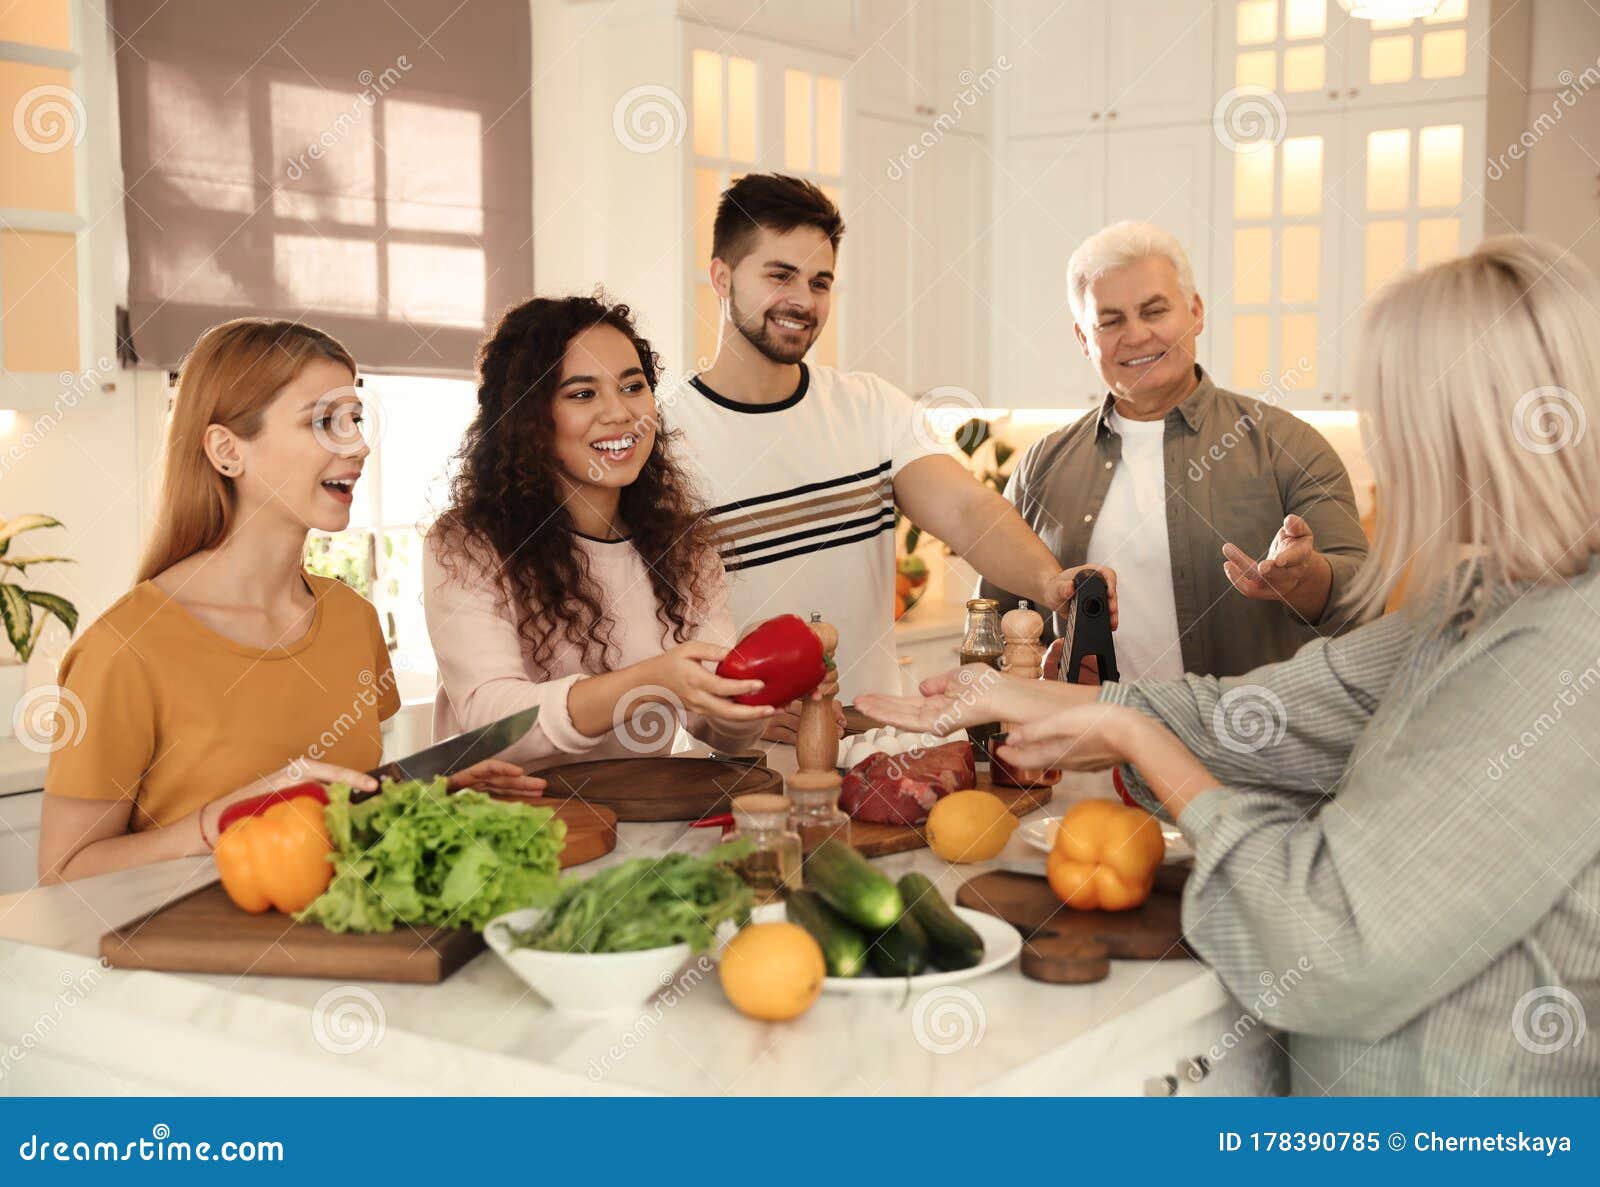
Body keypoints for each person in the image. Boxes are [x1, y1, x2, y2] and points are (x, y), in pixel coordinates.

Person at [859, 237, 1600, 1095]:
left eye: (1395, 415)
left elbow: (1326, 940)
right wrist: (1031, 697)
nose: (1389, 450)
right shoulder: (1483, 594)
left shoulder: (1565, 655)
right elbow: (1291, 706)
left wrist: (1128, 727)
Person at [38, 320, 540, 884]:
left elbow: (334, 815)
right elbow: (63, 874)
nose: (358, 442)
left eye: (354, 418)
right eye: (323, 421)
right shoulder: (125, 649)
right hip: (184, 965)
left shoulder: (353, 620)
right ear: (227, 450)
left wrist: (418, 797)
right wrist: (222, 821)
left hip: (342, 950)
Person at [666, 172, 1113, 739]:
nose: (803, 300)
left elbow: (968, 512)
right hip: (737, 761)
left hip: (875, 743)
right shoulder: (661, 438)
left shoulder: (868, 406)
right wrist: (722, 719)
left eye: (820, 281)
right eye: (780, 275)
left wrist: (1051, 585)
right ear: (722, 277)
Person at [980, 221, 1368, 682]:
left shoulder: (1288, 445)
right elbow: (994, 623)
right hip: (1088, 747)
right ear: (1084, 339)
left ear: (1196, 311)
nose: (1138, 335)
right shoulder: (1040, 466)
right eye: (1110, 321)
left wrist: (1305, 580)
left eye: (1154, 310)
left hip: (1242, 746)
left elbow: (1364, 601)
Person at [424, 296, 778, 767]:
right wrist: (652, 679)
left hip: (637, 822)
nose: (620, 413)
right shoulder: (467, 546)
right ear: (527, 418)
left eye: (633, 387)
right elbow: (493, 726)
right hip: (507, 829)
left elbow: (722, 735)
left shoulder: (684, 551)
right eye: (583, 394)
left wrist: (751, 684)